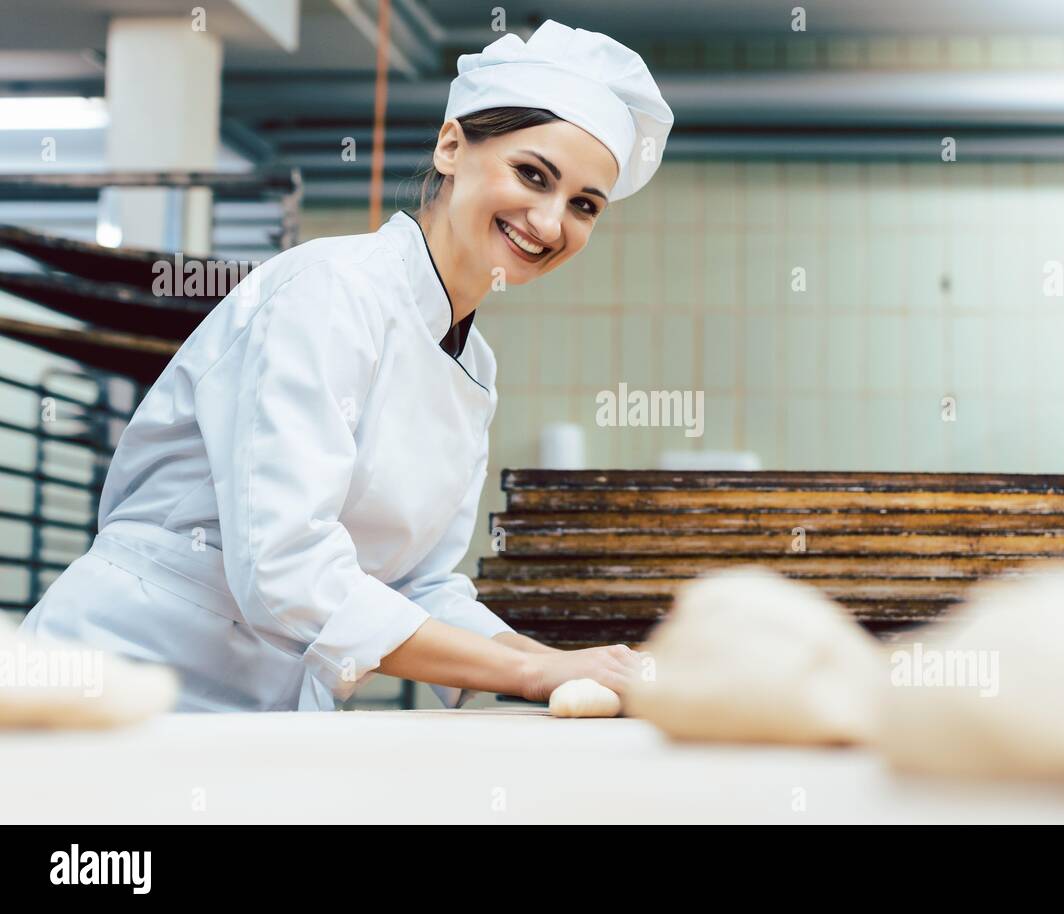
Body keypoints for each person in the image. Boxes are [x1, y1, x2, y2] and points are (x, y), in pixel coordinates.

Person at [20, 20, 674, 712]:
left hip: (258, 711)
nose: (549, 222)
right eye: (531, 174)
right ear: (451, 146)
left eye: (583, 206)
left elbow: (419, 588)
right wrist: (527, 675)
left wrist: (564, 666)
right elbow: (286, 567)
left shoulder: (471, 362)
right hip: (120, 675)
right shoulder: (330, 292)